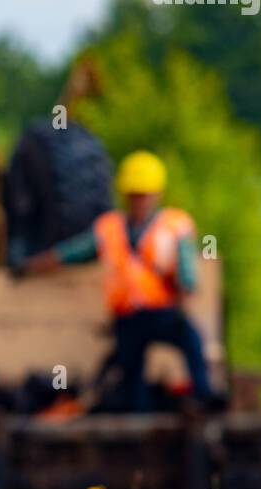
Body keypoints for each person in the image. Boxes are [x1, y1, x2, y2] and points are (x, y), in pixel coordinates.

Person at [20, 150, 220, 413]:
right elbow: (75, 252)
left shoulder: (174, 225)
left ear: (157, 194)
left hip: (163, 312)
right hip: (129, 317)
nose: (140, 201)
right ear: (126, 195)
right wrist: (35, 265)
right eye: (135, 194)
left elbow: (185, 267)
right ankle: (140, 416)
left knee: (191, 340)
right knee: (131, 373)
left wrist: (186, 290)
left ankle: (203, 397)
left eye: (144, 194)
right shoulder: (109, 228)